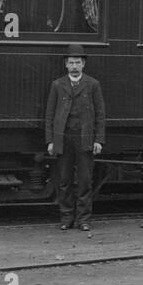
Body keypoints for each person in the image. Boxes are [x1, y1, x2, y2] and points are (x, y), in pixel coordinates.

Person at [45, 43, 106, 231]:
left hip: (85, 138)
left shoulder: (93, 84)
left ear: (83, 64)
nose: (74, 66)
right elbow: (49, 114)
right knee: (64, 180)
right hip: (63, 138)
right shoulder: (57, 85)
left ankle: (83, 220)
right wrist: (50, 141)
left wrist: (99, 140)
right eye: (71, 62)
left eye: (77, 62)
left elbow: (100, 114)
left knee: (85, 180)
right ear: (66, 64)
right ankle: (66, 218)